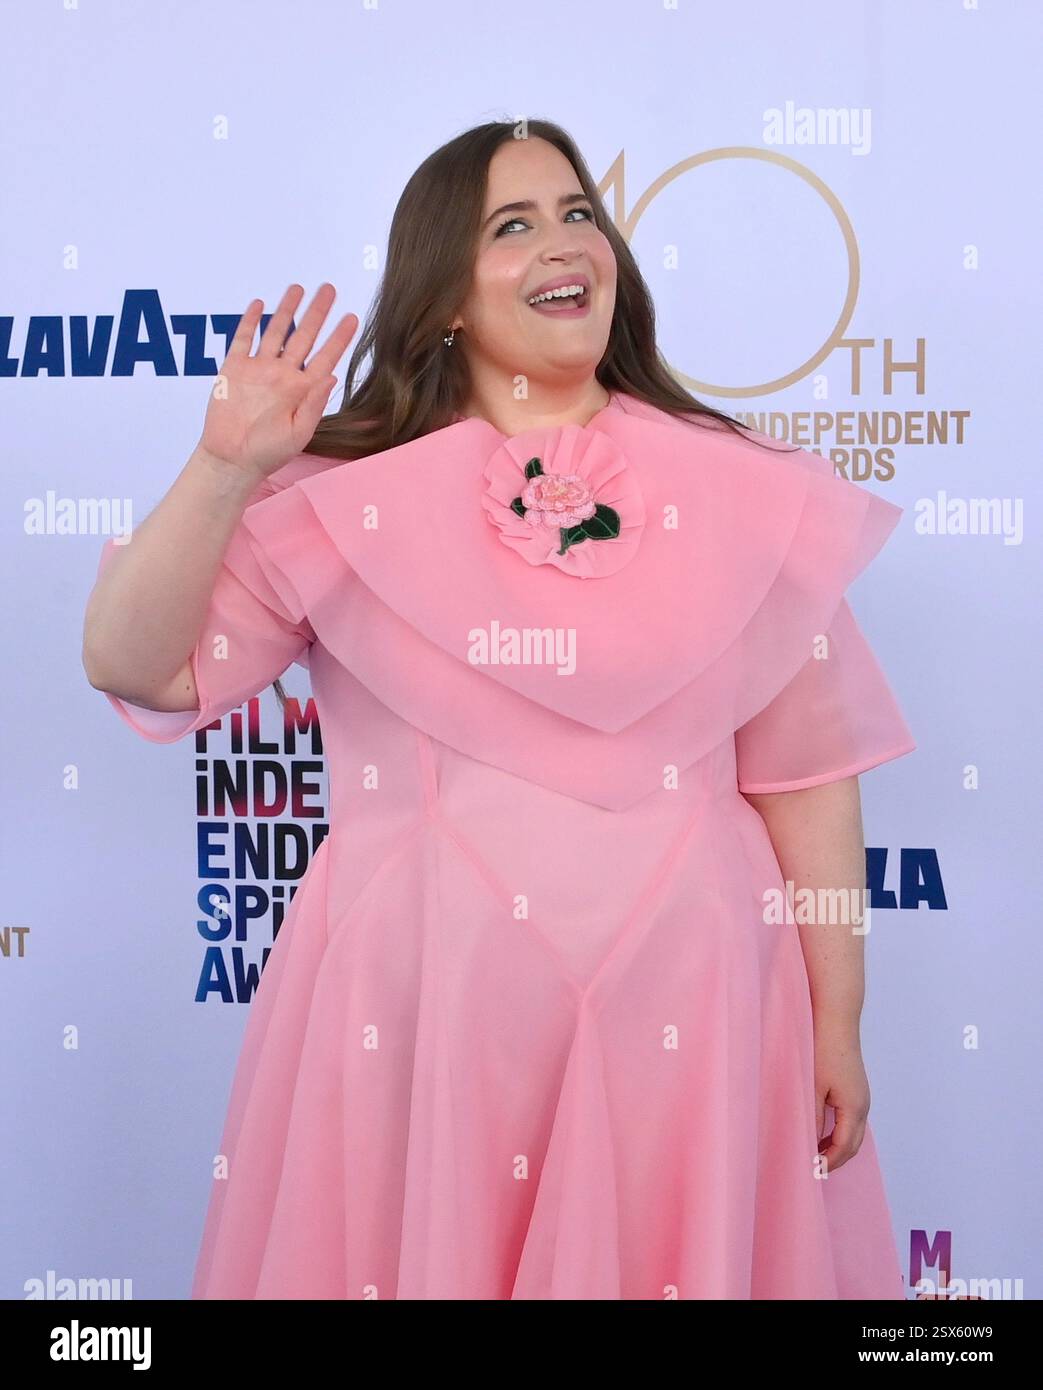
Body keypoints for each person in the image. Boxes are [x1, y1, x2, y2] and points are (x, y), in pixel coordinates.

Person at [82, 120, 916, 1300]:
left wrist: (838, 1021)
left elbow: (805, 773)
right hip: (429, 1018)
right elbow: (133, 662)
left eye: (577, 213)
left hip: (690, 1010)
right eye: (510, 225)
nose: (562, 241)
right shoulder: (336, 496)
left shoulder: (739, 488)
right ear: (442, 298)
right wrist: (223, 468)